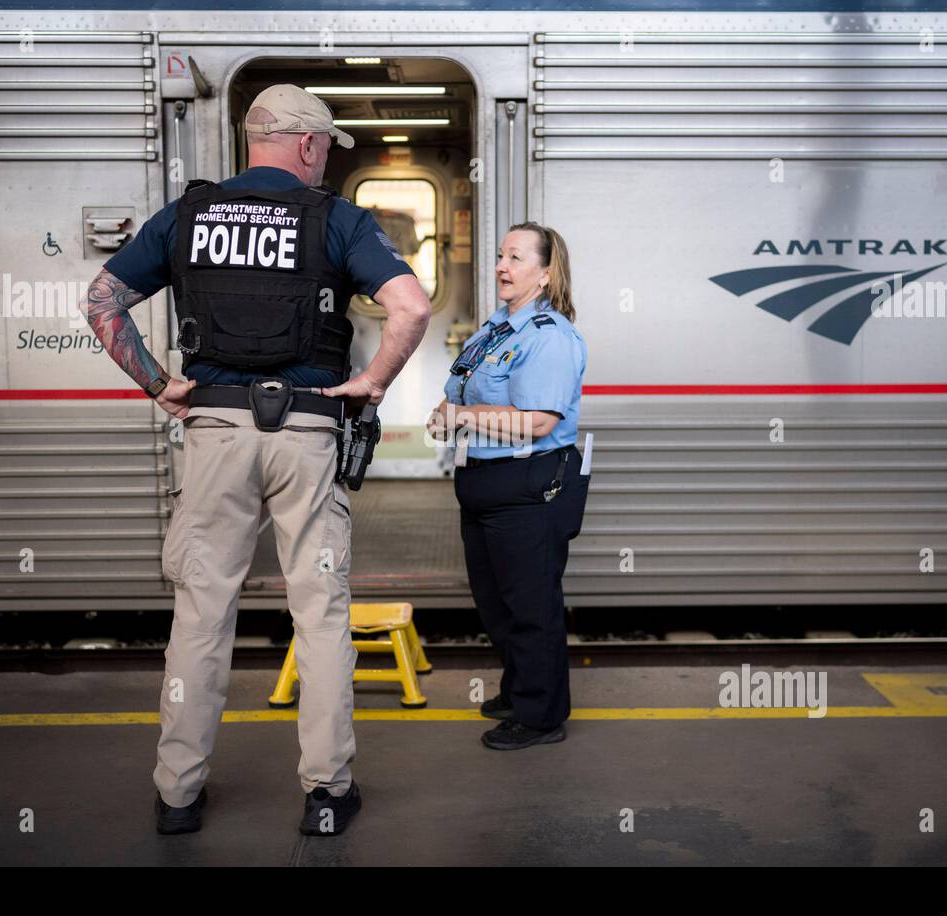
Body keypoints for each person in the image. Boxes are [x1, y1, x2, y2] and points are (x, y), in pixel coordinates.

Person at [84, 83, 431, 836]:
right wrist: (369, 384)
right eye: (326, 151)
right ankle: (327, 794)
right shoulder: (337, 218)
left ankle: (178, 797)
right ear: (309, 146)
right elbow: (412, 306)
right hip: (306, 434)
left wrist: (158, 383)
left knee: (201, 614)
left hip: (214, 434)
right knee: (321, 615)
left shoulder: (187, 215)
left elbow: (102, 299)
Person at [427, 223, 588, 751]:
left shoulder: (549, 337)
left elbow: (539, 421)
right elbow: (461, 394)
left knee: (530, 604)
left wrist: (461, 415)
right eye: (500, 255)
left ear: (544, 274)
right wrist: (447, 415)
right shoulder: (495, 329)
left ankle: (540, 716)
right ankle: (520, 689)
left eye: (516, 257)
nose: (501, 265)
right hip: (484, 481)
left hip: (529, 484)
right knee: (496, 602)